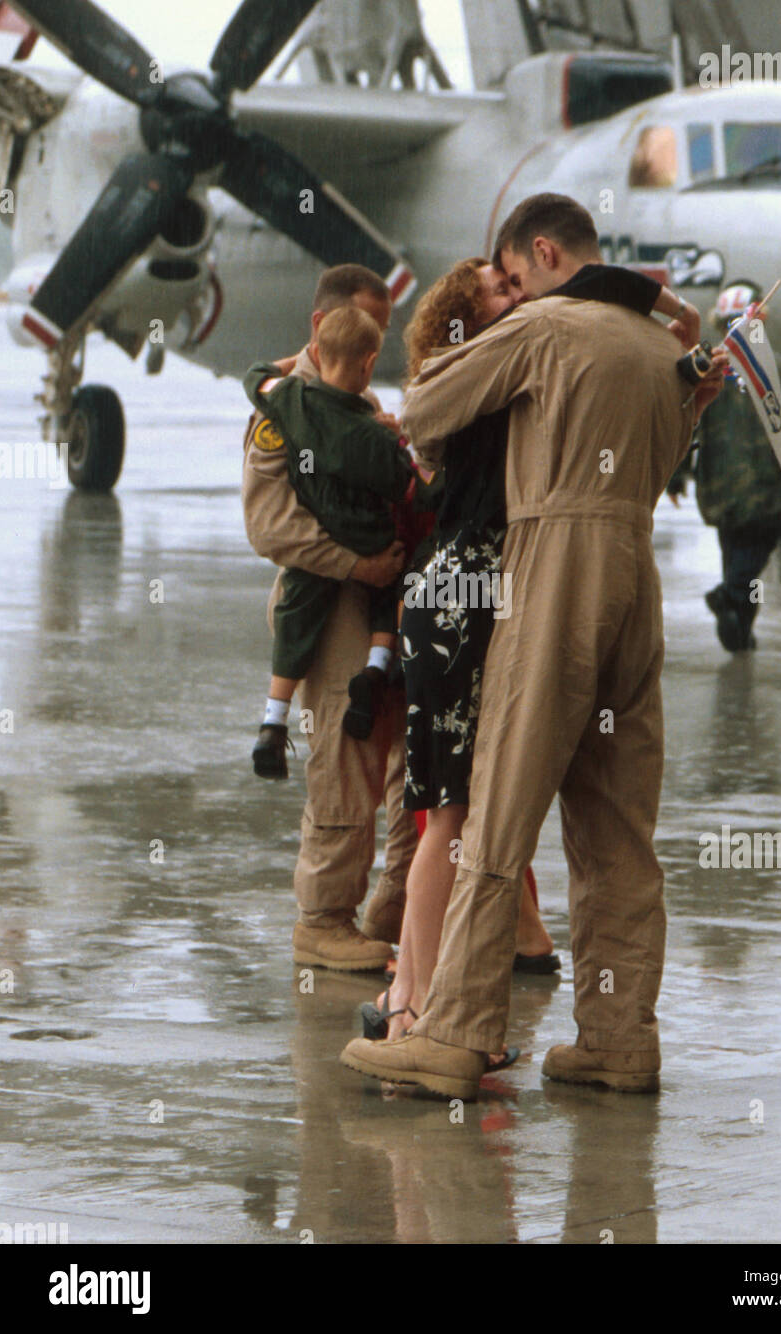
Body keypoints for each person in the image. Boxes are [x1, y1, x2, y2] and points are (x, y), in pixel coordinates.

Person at [341, 193, 725, 1099]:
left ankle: (456, 1033)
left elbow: (428, 409)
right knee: (619, 826)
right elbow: (669, 464)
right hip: (637, 574)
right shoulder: (659, 349)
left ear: (543, 253)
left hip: (555, 563)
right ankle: (618, 1039)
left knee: (500, 803)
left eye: (513, 275)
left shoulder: (548, 327)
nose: (511, 289)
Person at [242, 264, 416, 971]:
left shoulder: (354, 398)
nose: (379, 343)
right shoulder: (281, 412)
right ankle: (322, 918)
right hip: (327, 606)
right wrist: (358, 565)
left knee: (398, 754)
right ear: (324, 327)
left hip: (378, 602)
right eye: (370, 327)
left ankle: (390, 904)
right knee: (343, 760)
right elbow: (270, 526)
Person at [248, 305, 438, 775]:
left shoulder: (292, 403)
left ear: (315, 350)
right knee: (393, 584)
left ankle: (273, 720)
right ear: (370, 364)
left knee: (296, 614)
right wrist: (402, 444)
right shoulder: (372, 436)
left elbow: (257, 377)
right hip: (371, 539)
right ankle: (376, 669)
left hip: (321, 542)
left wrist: (296, 364)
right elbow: (408, 489)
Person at [668, 284, 781, 652]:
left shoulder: (706, 365)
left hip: (720, 482)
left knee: (734, 553)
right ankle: (729, 597)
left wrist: (675, 476)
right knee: (754, 556)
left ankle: (739, 628)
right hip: (768, 483)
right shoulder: (780, 367)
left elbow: (687, 421)